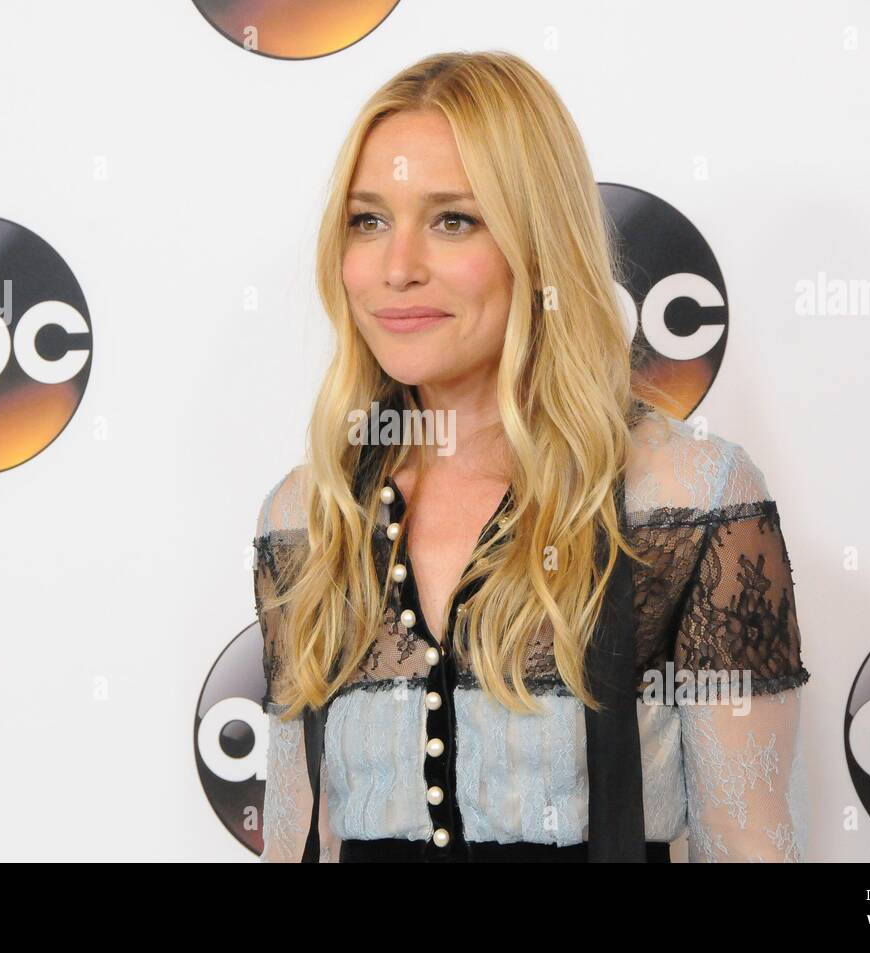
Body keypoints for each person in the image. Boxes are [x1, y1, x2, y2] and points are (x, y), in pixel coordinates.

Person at [251, 50, 810, 863]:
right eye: (367, 220)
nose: (398, 268)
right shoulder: (308, 513)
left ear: (538, 245)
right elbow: (299, 839)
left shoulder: (688, 500)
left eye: (453, 219)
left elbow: (750, 847)